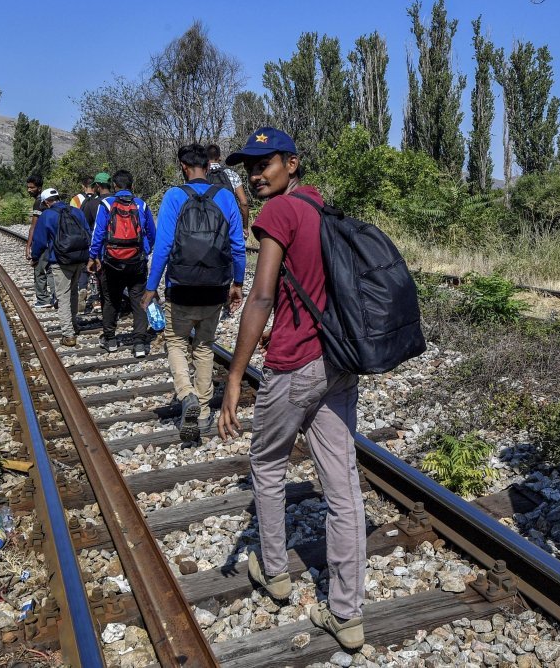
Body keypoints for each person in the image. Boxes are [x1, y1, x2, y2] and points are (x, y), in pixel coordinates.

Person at [218, 128, 366, 650]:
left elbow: (260, 298)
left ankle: (276, 572)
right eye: (250, 167)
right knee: (343, 489)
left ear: (292, 163)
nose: (257, 174)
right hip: (338, 362)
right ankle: (348, 615)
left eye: (266, 163)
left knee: (267, 463)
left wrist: (234, 376)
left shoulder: (279, 212)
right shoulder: (320, 207)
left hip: (294, 363)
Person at [141, 144, 246, 442]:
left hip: (181, 286)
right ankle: (201, 413)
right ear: (209, 167)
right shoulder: (225, 196)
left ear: (183, 167)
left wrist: (151, 287)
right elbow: (238, 247)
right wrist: (237, 283)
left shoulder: (174, 196)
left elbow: (163, 247)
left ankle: (186, 394)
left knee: (175, 341)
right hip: (215, 287)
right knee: (204, 345)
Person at [86, 170, 155, 357]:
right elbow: (151, 233)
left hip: (111, 262)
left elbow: (98, 233)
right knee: (138, 299)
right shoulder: (141, 204)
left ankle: (110, 339)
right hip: (137, 261)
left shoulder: (106, 204)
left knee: (111, 299)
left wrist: (93, 257)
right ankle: (139, 343)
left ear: (114, 186)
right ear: (132, 185)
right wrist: (145, 250)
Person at [30, 188, 90, 346]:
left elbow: (40, 241)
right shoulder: (77, 212)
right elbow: (88, 233)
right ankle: (74, 324)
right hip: (79, 258)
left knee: (62, 296)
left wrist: (35, 258)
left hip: (60, 261)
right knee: (73, 292)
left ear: (46, 202)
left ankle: (68, 334)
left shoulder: (47, 215)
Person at [80, 172, 112, 315]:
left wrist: (92, 253)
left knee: (95, 276)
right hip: (118, 246)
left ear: (97, 186)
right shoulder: (118, 200)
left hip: (99, 248)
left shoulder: (92, 203)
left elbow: (85, 227)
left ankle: (98, 301)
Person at [24, 174, 56, 310]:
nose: (29, 190)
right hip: (53, 241)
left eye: (32, 187)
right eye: (28, 187)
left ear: (39, 188)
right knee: (51, 270)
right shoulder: (50, 200)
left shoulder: (38, 203)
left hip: (43, 242)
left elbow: (33, 226)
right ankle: (56, 297)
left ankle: (43, 299)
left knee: (39, 270)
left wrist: (28, 246)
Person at [207, 144, 250, 237]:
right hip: (230, 224)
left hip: (208, 226)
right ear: (219, 157)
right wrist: (245, 227)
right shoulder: (231, 174)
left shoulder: (202, 175)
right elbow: (244, 203)